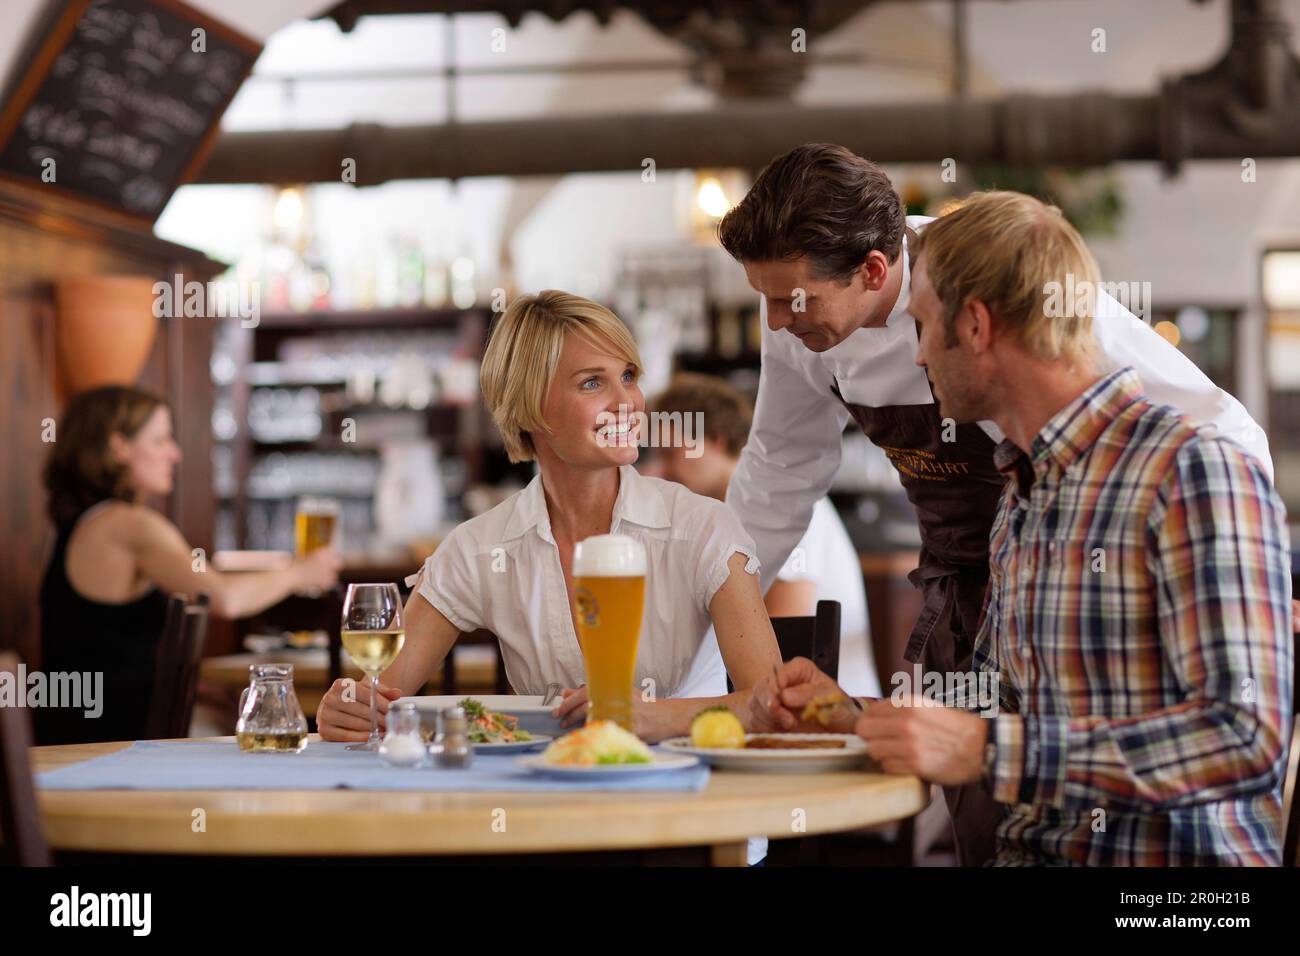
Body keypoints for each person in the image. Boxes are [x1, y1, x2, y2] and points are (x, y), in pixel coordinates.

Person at [719, 143, 1276, 865]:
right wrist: (862, 718)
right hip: (980, 604)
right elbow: (776, 473)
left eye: (922, 332)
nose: (914, 358)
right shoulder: (1022, 496)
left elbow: (1238, 739)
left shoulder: (1013, 288)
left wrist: (1248, 579)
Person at [316, 291, 783, 744]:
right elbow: (380, 695)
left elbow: (772, 707)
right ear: (532, 406)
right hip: (554, 805)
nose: (628, 404)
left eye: (628, 376)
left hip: (694, 808)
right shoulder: (481, 548)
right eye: (592, 383)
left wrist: (651, 716)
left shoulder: (703, 530)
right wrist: (350, 708)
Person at [39, 386, 342, 744]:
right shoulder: (129, 525)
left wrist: (192, 689)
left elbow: (102, 650)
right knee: (271, 731)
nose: (175, 454)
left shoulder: (90, 523)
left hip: (82, 724)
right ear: (119, 446)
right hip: (110, 740)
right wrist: (301, 571)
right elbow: (225, 598)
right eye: (160, 440)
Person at [647, 372, 879, 698]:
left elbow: (787, 639)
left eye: (670, 453)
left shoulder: (781, 507)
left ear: (715, 440)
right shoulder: (718, 516)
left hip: (828, 714)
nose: (661, 470)